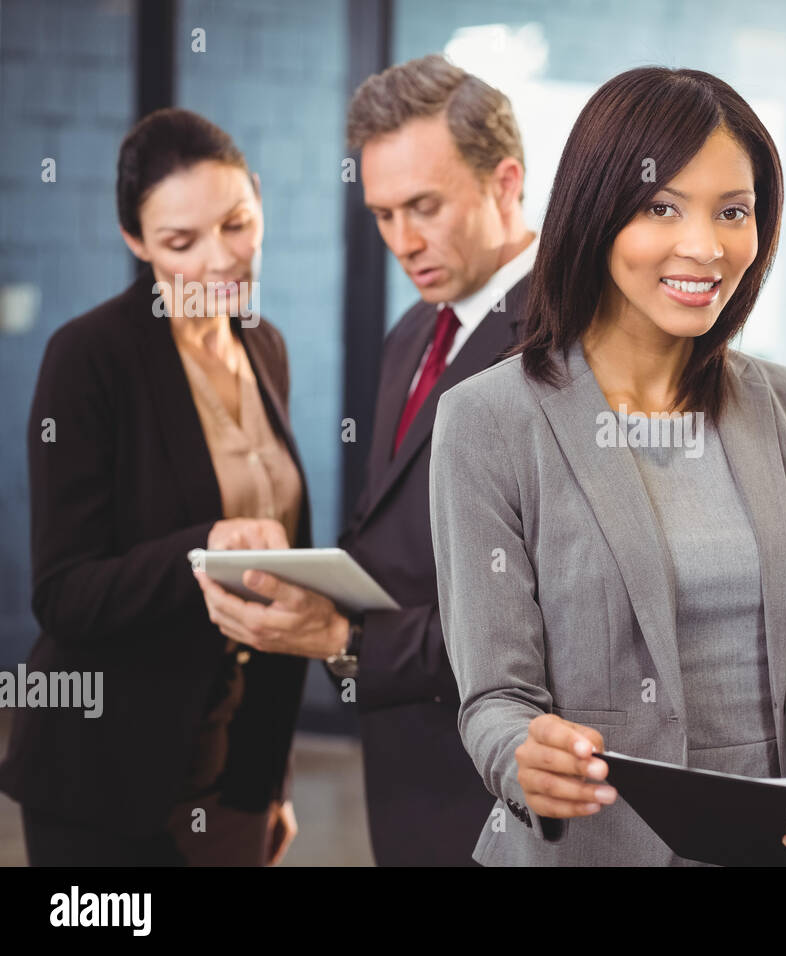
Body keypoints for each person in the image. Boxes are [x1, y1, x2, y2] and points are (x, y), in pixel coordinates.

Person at [427, 66, 786, 866]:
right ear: (596, 214)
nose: (705, 246)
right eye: (662, 208)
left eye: (734, 211)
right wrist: (523, 756)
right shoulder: (489, 419)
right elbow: (494, 698)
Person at [192, 54, 532, 865]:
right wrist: (302, 577)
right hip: (404, 772)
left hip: (506, 790)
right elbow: (397, 541)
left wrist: (348, 637)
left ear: (507, 182)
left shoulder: (570, 346)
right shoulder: (413, 334)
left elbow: (556, 608)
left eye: (424, 207)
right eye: (383, 214)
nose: (402, 242)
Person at [0, 108, 311, 865]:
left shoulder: (265, 345)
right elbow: (64, 593)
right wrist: (203, 549)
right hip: (108, 780)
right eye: (180, 241)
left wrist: (270, 781)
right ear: (136, 243)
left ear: (260, 201)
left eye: (237, 223)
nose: (220, 261)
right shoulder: (89, 357)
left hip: (234, 770)